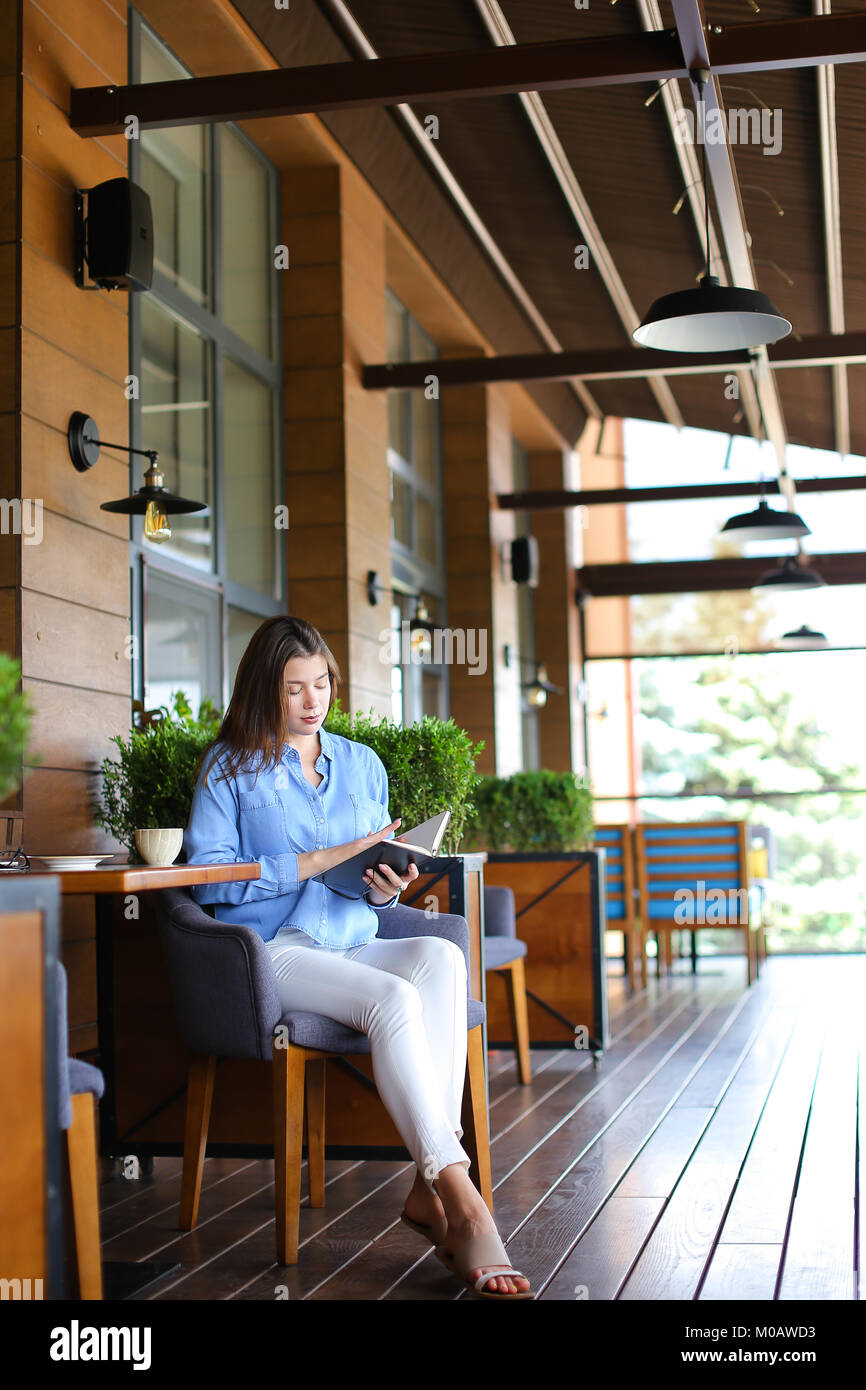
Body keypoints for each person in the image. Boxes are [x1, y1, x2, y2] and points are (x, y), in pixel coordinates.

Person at [183, 616, 531, 1298]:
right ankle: (460, 1199)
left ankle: (425, 1187)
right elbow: (207, 880)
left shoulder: (361, 764)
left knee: (439, 958)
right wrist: (309, 863)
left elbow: (368, 881)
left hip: (352, 939)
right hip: (270, 951)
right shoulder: (228, 767)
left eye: (322, 684)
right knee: (393, 1000)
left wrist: (384, 885)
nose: (312, 701)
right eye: (293, 689)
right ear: (264, 690)